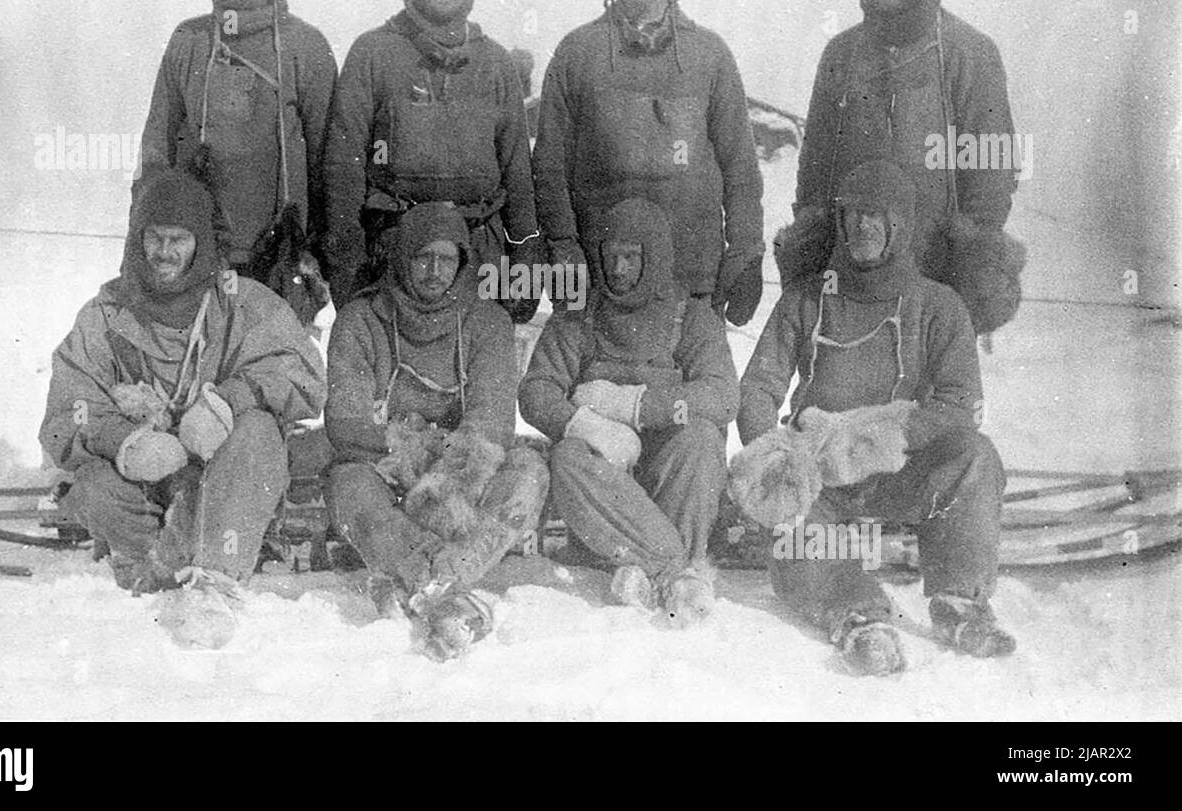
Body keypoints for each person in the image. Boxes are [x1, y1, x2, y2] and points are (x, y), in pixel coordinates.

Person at [735, 159, 1015, 676]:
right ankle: (857, 612)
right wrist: (773, 454)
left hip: (900, 472)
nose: (862, 226)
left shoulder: (938, 305)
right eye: (853, 215)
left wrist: (887, 436)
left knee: (976, 457)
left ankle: (960, 600)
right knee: (791, 526)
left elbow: (960, 403)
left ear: (900, 225)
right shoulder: (807, 298)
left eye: (877, 216)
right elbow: (758, 386)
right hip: (817, 478)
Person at [39, 174, 327, 621]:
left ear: (202, 243)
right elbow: (68, 409)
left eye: (180, 239)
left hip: (223, 472)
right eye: (154, 237)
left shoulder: (241, 301)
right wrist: (124, 443)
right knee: (92, 486)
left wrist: (229, 401)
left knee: (258, 429)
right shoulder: (105, 313)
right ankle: (161, 560)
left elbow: (303, 374)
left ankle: (215, 581)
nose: (165, 252)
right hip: (144, 479)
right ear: (137, 240)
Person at [782, 0, 1023, 335]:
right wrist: (812, 231)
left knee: (933, 390)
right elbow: (815, 162)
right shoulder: (841, 55)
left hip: (935, 265)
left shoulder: (968, 53)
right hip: (852, 258)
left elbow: (992, 166)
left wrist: (972, 245)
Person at [322, 202, 549, 660]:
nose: (434, 270)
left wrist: (443, 479)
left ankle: (434, 581)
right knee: (347, 483)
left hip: (460, 484)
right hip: (383, 470)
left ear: (463, 263)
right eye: (423, 257)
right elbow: (346, 423)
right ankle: (443, 592)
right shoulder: (360, 320)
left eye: (447, 260)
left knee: (528, 472)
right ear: (402, 258)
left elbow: (491, 421)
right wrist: (408, 448)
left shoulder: (489, 323)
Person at [532, 0, 764, 325]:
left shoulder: (708, 56)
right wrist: (563, 245)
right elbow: (548, 168)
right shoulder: (577, 54)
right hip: (602, 275)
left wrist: (746, 250)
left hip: (689, 275)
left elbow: (741, 169)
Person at [519, 198, 738, 625]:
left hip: (666, 475)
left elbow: (722, 395)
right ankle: (678, 575)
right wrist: (585, 424)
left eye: (632, 257)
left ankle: (649, 566)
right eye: (611, 255)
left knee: (700, 439)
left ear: (655, 258)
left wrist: (635, 406)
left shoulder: (691, 318)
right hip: (609, 482)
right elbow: (536, 391)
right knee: (567, 458)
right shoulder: (578, 318)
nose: (618, 269)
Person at [321, 0, 541, 322]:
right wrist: (348, 262)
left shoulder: (494, 65)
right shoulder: (373, 54)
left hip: (478, 254)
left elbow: (517, 173)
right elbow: (343, 164)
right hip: (394, 250)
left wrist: (526, 258)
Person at [135, 0, 337, 322]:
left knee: (275, 370)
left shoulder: (305, 47)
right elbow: (157, 150)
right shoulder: (189, 41)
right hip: (198, 255)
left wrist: (319, 250)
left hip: (279, 256)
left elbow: (328, 162)